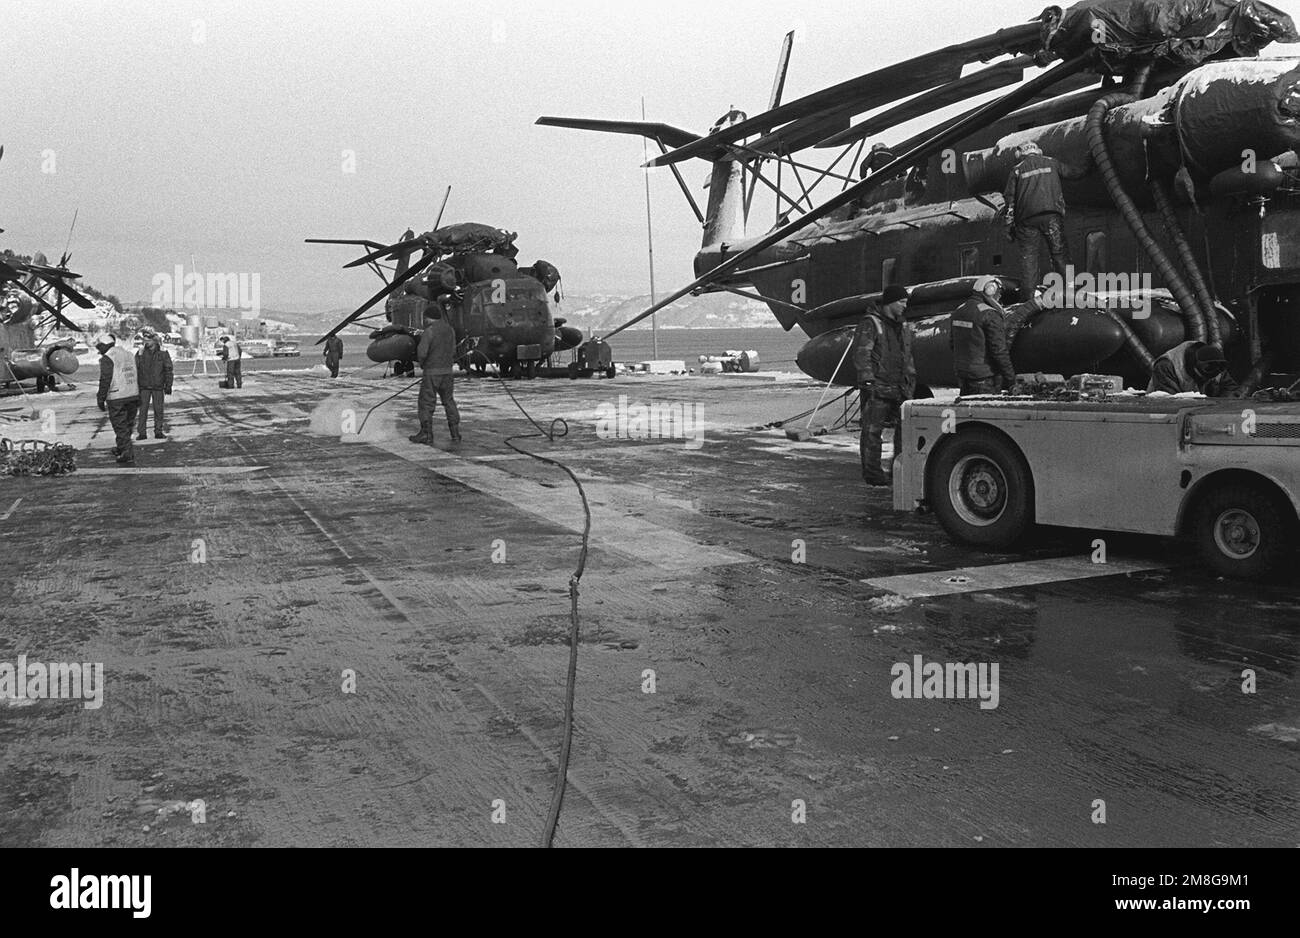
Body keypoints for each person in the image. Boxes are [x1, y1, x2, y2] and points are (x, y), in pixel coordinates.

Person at [853, 284, 915, 486]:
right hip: (877, 388)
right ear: (890, 302)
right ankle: (873, 474)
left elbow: (907, 356)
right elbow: (862, 353)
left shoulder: (903, 326)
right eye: (902, 302)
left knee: (904, 432)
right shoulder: (871, 323)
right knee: (872, 433)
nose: (905, 306)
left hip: (900, 387)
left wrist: (911, 380)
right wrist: (868, 381)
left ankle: (898, 471)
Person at [1002, 142, 1079, 294]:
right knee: (1059, 253)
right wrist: (1091, 161)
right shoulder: (1052, 162)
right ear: (1038, 151)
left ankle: (1029, 296)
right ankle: (1072, 289)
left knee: (1029, 258)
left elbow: (1009, 200)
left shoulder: (1017, 170)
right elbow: (1073, 173)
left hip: (1026, 220)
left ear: (1020, 154)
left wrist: (1008, 226)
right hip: (1051, 216)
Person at [952, 276, 1017, 395]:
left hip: (963, 375)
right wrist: (1011, 380)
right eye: (998, 292)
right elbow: (999, 351)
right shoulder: (989, 314)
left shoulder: (958, 311)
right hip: (984, 378)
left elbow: (952, 343)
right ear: (989, 290)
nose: (999, 296)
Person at [409, 305, 461, 445]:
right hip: (448, 372)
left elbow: (422, 353)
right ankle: (455, 433)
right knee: (449, 401)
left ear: (427, 318)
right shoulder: (450, 330)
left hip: (432, 373)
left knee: (426, 403)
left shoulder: (429, 331)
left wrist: (423, 363)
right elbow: (453, 351)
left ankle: (426, 434)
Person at [95, 332, 140, 467]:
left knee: (120, 426)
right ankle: (122, 447)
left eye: (99, 347)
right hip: (132, 394)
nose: (99, 351)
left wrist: (100, 398)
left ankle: (126, 453)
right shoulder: (128, 354)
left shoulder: (108, 358)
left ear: (104, 345)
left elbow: (105, 379)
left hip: (117, 397)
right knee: (127, 424)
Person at [1148, 342, 1239, 397]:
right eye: (1203, 378)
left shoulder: (1215, 363)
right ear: (1193, 368)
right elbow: (1170, 403)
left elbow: (1231, 390)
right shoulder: (1166, 366)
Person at [135, 329, 174, 440]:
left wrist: (169, 385)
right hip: (144, 387)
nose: (145, 342)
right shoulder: (140, 352)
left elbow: (168, 369)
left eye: (148, 340)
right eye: (144, 340)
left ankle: (158, 431)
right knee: (142, 411)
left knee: (159, 410)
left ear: (154, 340)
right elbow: (135, 369)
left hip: (158, 387)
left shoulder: (163, 352)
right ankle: (142, 433)